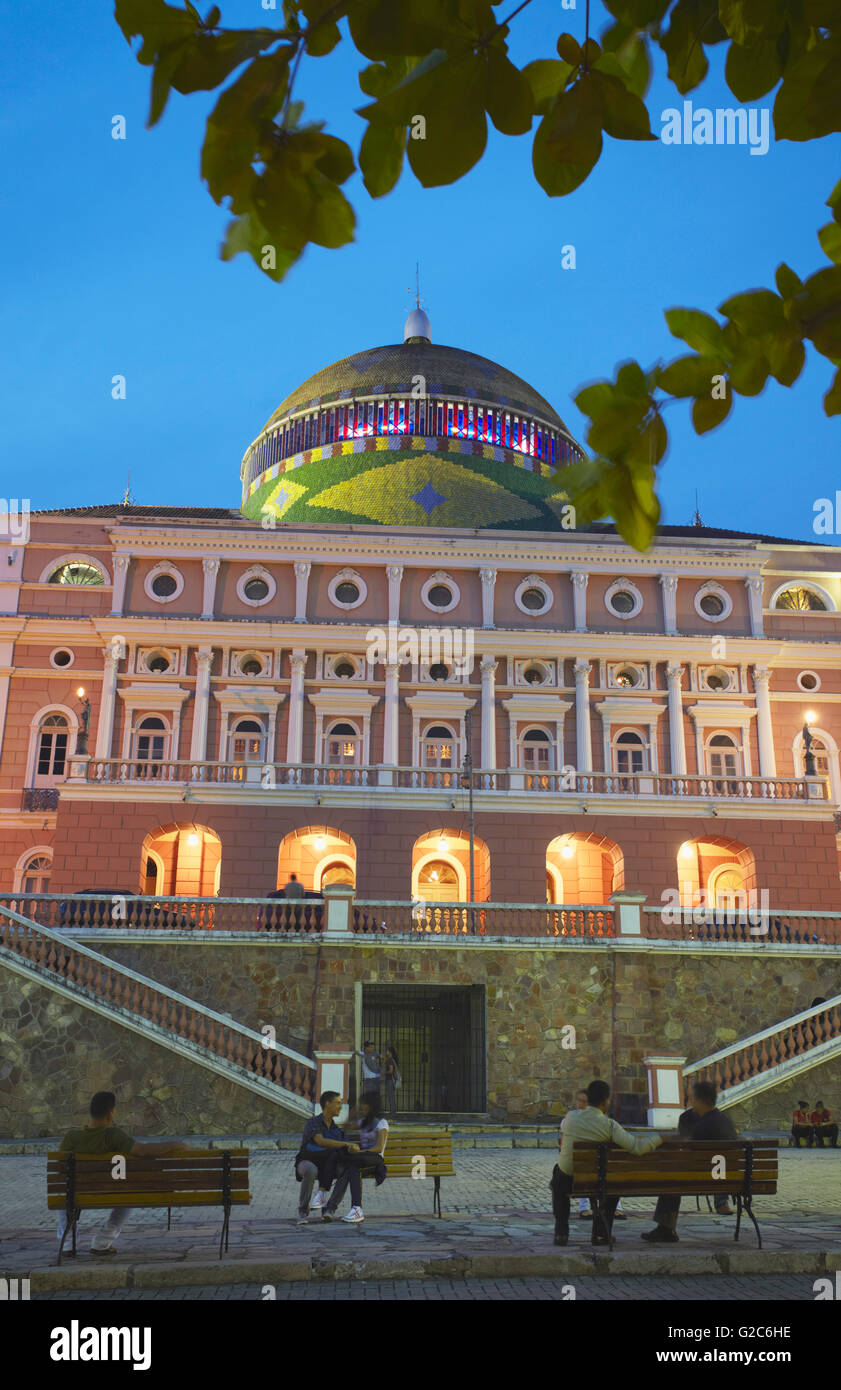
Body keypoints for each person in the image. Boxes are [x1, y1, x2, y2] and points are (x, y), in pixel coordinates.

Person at [57, 1091, 190, 1254]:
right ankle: (102, 1241)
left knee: (65, 1191)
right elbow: (141, 1151)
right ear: (111, 1113)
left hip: (78, 1193)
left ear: (91, 1112)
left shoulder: (71, 1138)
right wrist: (172, 1145)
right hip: (111, 1193)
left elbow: (60, 1170)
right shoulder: (113, 1135)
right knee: (128, 1197)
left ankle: (68, 1243)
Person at [551, 1078, 662, 1247]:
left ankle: (561, 1232)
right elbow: (637, 1147)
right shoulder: (609, 1126)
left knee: (558, 1175)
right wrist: (661, 1138)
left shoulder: (571, 1117)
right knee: (612, 1187)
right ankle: (601, 1234)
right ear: (605, 1102)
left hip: (570, 1181)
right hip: (598, 1183)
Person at [642, 1079, 736, 1244]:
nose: (691, 1102)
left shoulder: (701, 1127)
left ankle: (665, 1229)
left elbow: (686, 1155)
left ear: (700, 1101)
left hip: (705, 1178)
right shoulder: (726, 1121)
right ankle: (665, 1229)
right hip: (728, 1178)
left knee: (671, 1180)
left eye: (693, 1098)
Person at [322, 1092, 389, 1224]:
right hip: (361, 1160)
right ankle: (337, 1209)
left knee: (352, 1168)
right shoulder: (364, 1121)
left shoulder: (382, 1123)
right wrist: (351, 1114)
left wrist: (360, 1151)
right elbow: (346, 1127)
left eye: (363, 1104)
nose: (361, 1106)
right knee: (350, 1170)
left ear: (371, 1105)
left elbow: (379, 1148)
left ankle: (350, 1209)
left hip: (375, 1160)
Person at [294, 1092, 360, 1225]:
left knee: (347, 1170)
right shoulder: (313, 1122)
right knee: (311, 1170)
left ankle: (330, 1209)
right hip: (307, 1160)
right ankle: (303, 1211)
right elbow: (320, 1141)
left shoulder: (337, 1130)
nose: (340, 1107)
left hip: (328, 1165)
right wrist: (346, 1143)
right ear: (327, 1104)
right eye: (338, 1103)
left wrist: (354, 1148)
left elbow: (345, 1150)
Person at [569, 1089, 626, 1221]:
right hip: (604, 1168)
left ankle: (584, 1208)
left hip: (586, 1167)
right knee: (609, 1172)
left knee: (584, 1168)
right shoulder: (608, 1124)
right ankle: (617, 1208)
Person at [383, 1045, 400, 1119]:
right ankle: (393, 1114)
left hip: (390, 1080)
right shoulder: (391, 1059)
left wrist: (384, 1072)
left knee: (391, 1098)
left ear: (390, 1052)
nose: (386, 1052)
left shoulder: (390, 1060)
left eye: (387, 1051)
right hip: (391, 1081)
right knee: (391, 1097)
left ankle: (392, 1115)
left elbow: (391, 1071)